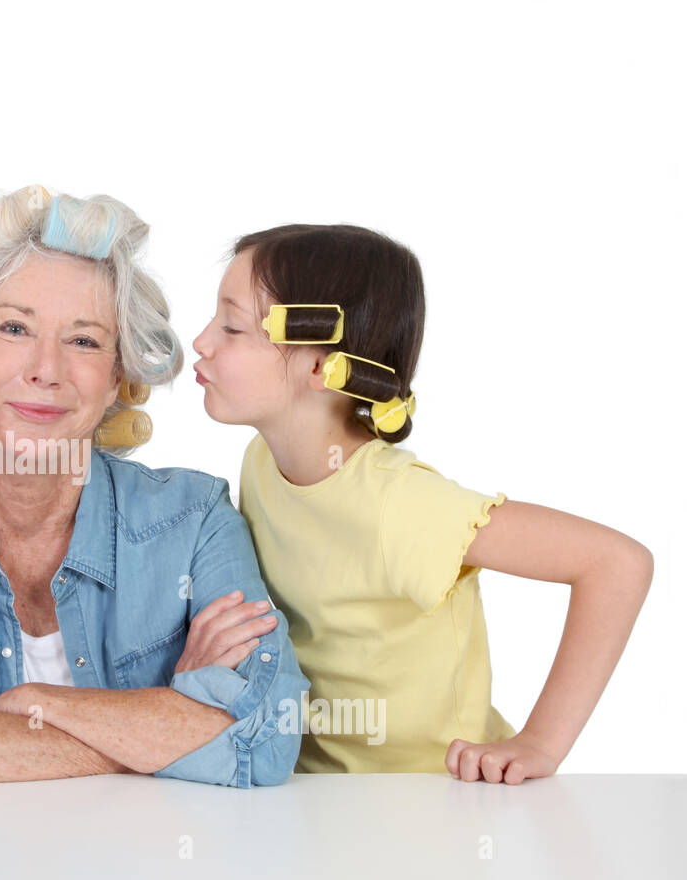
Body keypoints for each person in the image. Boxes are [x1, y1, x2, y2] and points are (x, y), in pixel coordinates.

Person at [0, 184, 310, 789]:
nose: (46, 370)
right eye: (14, 328)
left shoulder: (195, 519)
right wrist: (171, 725)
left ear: (116, 377)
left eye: (83, 340)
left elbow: (265, 737)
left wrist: (36, 704)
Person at [193, 224, 654, 781]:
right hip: (310, 792)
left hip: (435, 797)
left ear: (320, 366)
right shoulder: (260, 464)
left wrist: (541, 742)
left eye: (233, 326)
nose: (202, 342)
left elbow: (616, 564)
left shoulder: (399, 504)